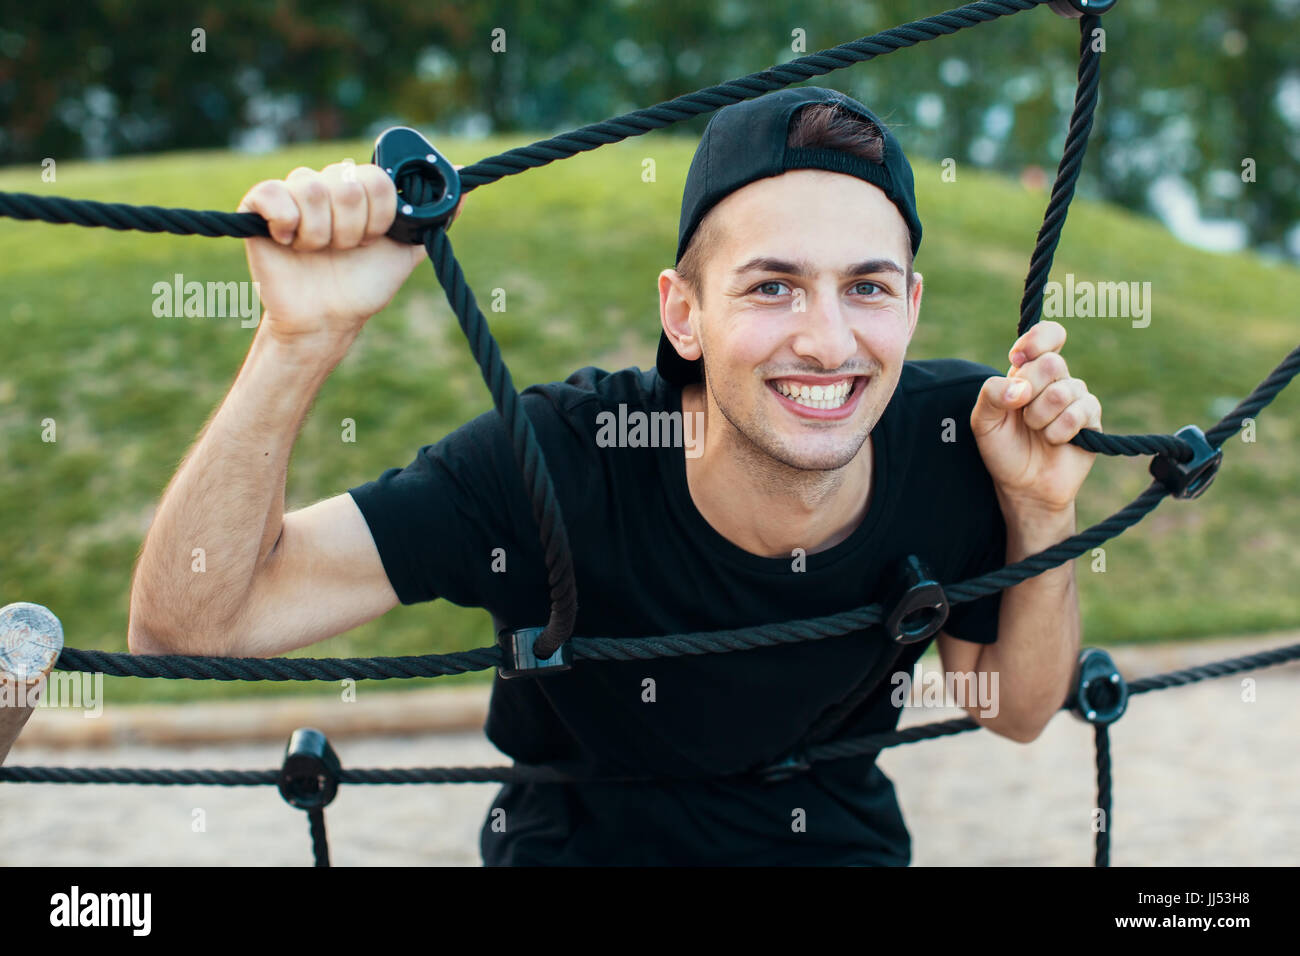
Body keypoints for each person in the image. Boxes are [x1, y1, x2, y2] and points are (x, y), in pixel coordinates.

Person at [127, 86, 1102, 865]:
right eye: (772, 285)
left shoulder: (955, 435)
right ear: (683, 313)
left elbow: (1009, 707)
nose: (826, 338)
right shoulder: (556, 461)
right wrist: (300, 340)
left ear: (911, 304)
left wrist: (1038, 506)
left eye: (866, 287)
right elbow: (188, 629)